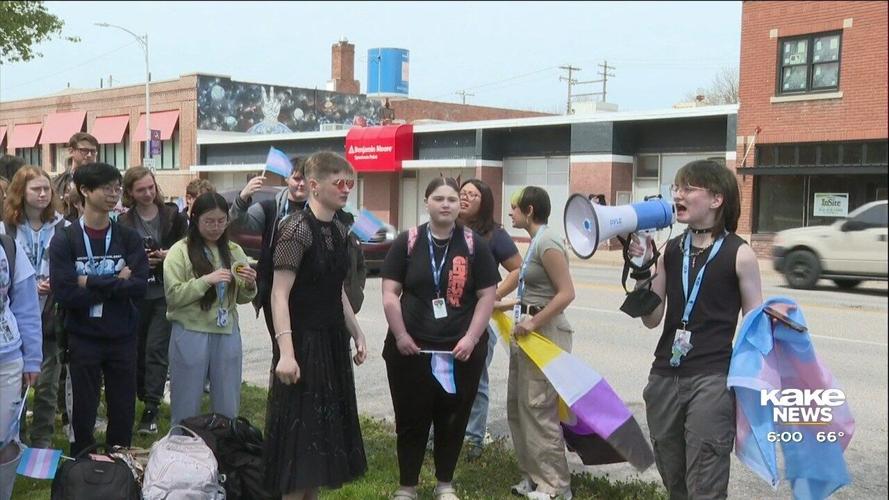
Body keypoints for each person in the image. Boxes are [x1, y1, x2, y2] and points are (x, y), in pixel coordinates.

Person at [628, 159, 762, 499]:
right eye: (676, 188)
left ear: (717, 199)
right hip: (664, 375)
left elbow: (756, 325)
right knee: (674, 478)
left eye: (688, 188)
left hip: (711, 378)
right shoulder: (671, 250)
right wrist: (642, 269)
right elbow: (652, 318)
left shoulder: (740, 254)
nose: (678, 195)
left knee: (705, 478)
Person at [381, 177, 498, 500]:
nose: (446, 204)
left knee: (453, 418)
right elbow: (390, 293)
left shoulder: (475, 245)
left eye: (452, 198)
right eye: (439, 198)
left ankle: (445, 482)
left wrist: (473, 338)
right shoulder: (408, 241)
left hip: (460, 351)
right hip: (412, 350)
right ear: (427, 202)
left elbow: (488, 295)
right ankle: (407, 485)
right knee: (411, 419)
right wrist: (401, 334)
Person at [263, 152, 368, 500]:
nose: (346, 189)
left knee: (320, 447)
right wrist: (287, 354)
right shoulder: (296, 228)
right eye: (339, 182)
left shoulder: (338, 228)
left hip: (332, 344)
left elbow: (336, 288)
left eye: (350, 183)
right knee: (299, 451)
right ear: (313, 185)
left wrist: (356, 331)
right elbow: (279, 295)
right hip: (303, 345)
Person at [49, 162, 149, 456]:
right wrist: (115, 282)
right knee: (83, 408)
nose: (114, 194)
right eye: (107, 188)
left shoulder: (127, 237)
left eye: (117, 188)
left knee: (122, 407)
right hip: (83, 337)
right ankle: (83, 465)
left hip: (123, 336)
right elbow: (65, 293)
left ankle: (119, 465)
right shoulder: (65, 239)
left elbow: (139, 286)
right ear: (84, 190)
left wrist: (88, 281)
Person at [506, 186, 576, 500]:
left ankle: (556, 486)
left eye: (515, 207)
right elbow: (533, 292)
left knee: (538, 408)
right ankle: (533, 478)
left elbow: (565, 293)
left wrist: (533, 321)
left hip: (543, 335)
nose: (511, 213)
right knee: (518, 407)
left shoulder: (548, 241)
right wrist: (505, 306)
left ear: (530, 210)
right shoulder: (535, 241)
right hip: (526, 333)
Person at [163, 192, 256, 425]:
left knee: (228, 399)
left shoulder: (234, 250)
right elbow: (173, 296)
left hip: (226, 331)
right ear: (195, 220)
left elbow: (243, 298)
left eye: (221, 221)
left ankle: (226, 446)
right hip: (190, 331)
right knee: (186, 399)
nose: (216, 227)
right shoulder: (179, 251)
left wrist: (250, 284)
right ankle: (182, 446)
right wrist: (206, 281)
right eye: (209, 221)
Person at [0, 166, 70, 449]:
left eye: (46, 189)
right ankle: (19, 437)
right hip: (16, 311)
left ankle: (42, 438)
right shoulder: (7, 229)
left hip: (51, 309)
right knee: (17, 381)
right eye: (36, 189)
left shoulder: (62, 226)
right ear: (20, 193)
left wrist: (57, 281)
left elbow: (69, 263)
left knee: (47, 379)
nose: (43, 194)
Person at [118, 167, 187, 434]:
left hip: (164, 291)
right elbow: (120, 255)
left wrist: (169, 254)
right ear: (130, 193)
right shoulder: (124, 222)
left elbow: (187, 246)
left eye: (151, 187)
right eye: (140, 190)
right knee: (136, 349)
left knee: (156, 349)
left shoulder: (173, 216)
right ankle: (141, 393)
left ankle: (151, 407)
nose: (148, 193)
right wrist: (139, 261)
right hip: (136, 293)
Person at [457, 178, 521, 459]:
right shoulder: (448, 227)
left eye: (473, 194)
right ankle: (441, 434)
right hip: (449, 318)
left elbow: (519, 269)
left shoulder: (493, 234)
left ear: (484, 202)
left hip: (481, 321)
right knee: (443, 377)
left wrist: (494, 296)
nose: (465, 197)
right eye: (463, 193)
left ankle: (473, 439)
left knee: (476, 380)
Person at [0, 195, 42, 500]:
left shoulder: (7, 246)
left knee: (3, 441)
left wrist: (32, 359)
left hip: (8, 361)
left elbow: (27, 306)